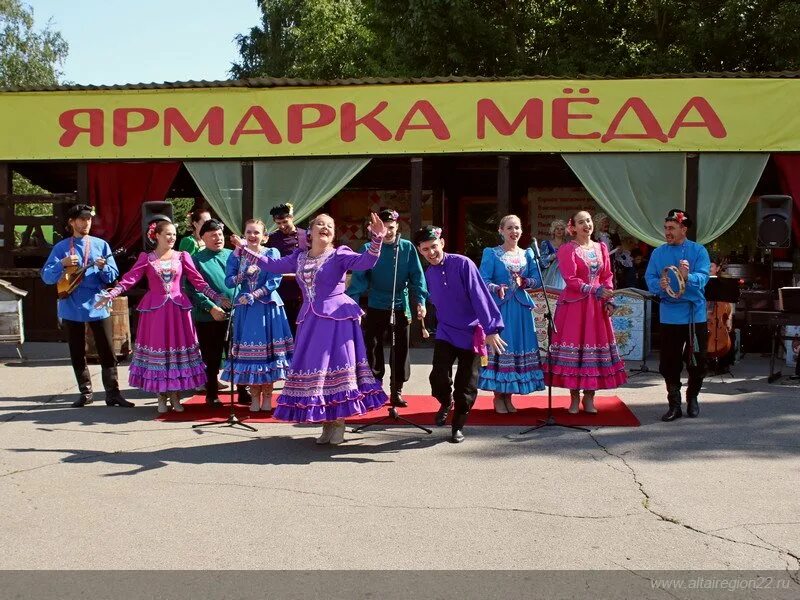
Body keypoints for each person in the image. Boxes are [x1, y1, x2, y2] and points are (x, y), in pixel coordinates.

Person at [231, 212, 388, 445]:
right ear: (310, 232)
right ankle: (327, 423)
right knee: (318, 373)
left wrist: (377, 238)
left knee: (336, 369)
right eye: (320, 224)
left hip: (337, 320)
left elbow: (366, 261)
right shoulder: (299, 257)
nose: (325, 228)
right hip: (311, 321)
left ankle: (339, 423)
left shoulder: (339, 255)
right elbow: (272, 265)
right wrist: (245, 250)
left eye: (330, 225)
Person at [95, 220, 229, 413]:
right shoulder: (147, 258)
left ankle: (175, 395)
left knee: (176, 351)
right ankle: (161, 395)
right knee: (160, 352)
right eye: (168, 234)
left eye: (174, 234)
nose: (172, 238)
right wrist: (112, 293)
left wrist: (216, 297)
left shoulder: (183, 256)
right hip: (156, 312)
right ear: (156, 236)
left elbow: (197, 281)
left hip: (177, 312)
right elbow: (130, 278)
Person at [413, 225, 506, 443]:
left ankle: (457, 426)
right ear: (420, 251)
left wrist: (491, 328)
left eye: (433, 247)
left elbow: (480, 296)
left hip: (472, 332)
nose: (431, 253)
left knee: (466, 384)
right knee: (437, 377)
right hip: (446, 331)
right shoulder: (429, 272)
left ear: (442, 243)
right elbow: (433, 297)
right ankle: (446, 402)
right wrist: (422, 305)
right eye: (425, 249)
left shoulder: (463, 264)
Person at [41, 204, 132, 408]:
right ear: (71, 222)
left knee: (107, 350)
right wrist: (61, 263)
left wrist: (103, 267)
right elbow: (47, 277)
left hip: (98, 304)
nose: (86, 223)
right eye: (81, 219)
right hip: (71, 306)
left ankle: (113, 393)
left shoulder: (101, 245)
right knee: (76, 351)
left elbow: (112, 275)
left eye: (89, 219)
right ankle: (85, 392)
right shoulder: (61, 247)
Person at [543, 211, 627, 414]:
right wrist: (594, 289)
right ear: (573, 227)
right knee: (576, 351)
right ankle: (573, 399)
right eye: (581, 222)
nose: (586, 225)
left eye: (588, 221)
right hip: (574, 306)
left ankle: (589, 398)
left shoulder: (601, 247)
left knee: (593, 351)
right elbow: (570, 279)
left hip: (596, 308)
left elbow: (607, 276)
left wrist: (609, 299)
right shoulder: (567, 249)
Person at [346, 208, 428, 408]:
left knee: (400, 349)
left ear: (398, 226)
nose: (388, 232)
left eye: (391, 227)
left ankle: (396, 389)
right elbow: (358, 280)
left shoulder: (407, 247)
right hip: (376, 303)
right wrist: (354, 305)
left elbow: (417, 277)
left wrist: (421, 301)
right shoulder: (369, 247)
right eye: (384, 228)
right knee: (372, 347)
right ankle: (375, 387)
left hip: (400, 304)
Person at [645, 209, 710, 421]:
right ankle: (674, 404)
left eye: (672, 228)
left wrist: (687, 276)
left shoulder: (698, 251)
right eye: (665, 228)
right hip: (670, 313)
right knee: (669, 361)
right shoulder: (658, 253)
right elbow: (650, 278)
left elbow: (703, 277)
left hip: (694, 314)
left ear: (684, 229)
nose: (667, 232)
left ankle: (692, 398)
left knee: (698, 360)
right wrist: (659, 284)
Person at [223, 219, 294, 413]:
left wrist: (254, 295)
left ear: (265, 236)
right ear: (244, 235)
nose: (253, 236)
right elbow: (229, 282)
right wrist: (244, 274)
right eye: (249, 232)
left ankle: (268, 398)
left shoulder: (271, 253)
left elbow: (275, 280)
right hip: (246, 310)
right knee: (252, 356)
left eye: (256, 233)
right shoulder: (236, 256)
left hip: (267, 307)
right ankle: (254, 397)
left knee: (268, 355)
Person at [477, 215, 545, 413]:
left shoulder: (528, 254)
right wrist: (497, 287)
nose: (514, 232)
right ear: (501, 230)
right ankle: (498, 396)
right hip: (500, 309)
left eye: (517, 228)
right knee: (502, 349)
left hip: (521, 310)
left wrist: (525, 282)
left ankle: (510, 396)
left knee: (517, 348)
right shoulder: (491, 253)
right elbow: (482, 279)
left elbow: (536, 280)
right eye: (509, 228)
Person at [185, 219, 246, 407]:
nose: (217, 238)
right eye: (212, 235)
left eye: (219, 234)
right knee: (212, 356)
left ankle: (242, 391)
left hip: (236, 312)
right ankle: (211, 392)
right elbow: (192, 288)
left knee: (238, 354)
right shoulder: (197, 259)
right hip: (209, 315)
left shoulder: (232, 255)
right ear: (202, 237)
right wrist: (210, 306)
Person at [266, 203, 308, 336]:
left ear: (292, 217)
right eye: (278, 223)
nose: (282, 226)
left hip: (302, 292)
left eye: (285, 221)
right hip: (280, 290)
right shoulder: (271, 239)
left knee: (302, 330)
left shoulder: (305, 236)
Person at [538, 219, 567, 290]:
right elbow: (541, 261)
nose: (559, 231)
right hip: (549, 274)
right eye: (557, 229)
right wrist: (552, 257)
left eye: (562, 229)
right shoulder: (546, 243)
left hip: (564, 273)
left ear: (565, 231)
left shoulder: (568, 245)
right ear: (553, 230)